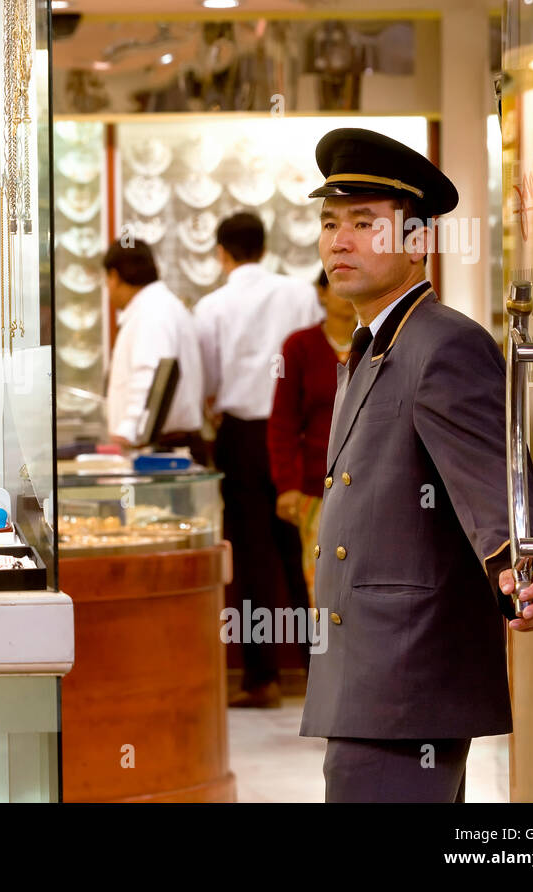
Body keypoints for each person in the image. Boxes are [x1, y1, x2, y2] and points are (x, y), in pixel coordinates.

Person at [299, 127, 533, 802]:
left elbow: (494, 477)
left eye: (363, 224)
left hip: (404, 674)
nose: (338, 242)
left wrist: (519, 569)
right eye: (329, 224)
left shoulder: (443, 345)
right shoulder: (378, 342)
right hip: (375, 674)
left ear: (416, 242)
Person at [192, 211, 322, 708]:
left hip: (243, 437)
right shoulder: (299, 294)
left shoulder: (212, 306)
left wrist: (214, 404)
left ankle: (262, 680)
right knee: (303, 555)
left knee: (250, 559)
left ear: (222, 252)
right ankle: (320, 673)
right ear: (263, 248)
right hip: (297, 434)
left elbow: (205, 380)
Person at [268, 267, 357, 607]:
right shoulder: (299, 346)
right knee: (320, 582)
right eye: (336, 286)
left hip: (367, 483)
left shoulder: (378, 342)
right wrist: (286, 484)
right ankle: (323, 659)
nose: (344, 296)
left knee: (360, 582)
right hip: (315, 486)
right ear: (321, 293)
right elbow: (283, 421)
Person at [102, 238, 204, 455]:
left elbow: (150, 375)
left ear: (114, 277)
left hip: (163, 449)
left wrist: (129, 429)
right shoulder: (156, 307)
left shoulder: (152, 312)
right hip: (160, 444)